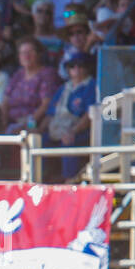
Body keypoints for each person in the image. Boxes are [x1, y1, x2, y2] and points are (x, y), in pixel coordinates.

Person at [46, 52, 97, 180]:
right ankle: (40, 181)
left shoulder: (92, 86)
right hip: (58, 128)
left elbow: (89, 116)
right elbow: (50, 114)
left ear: (88, 68)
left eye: (80, 66)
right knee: (38, 140)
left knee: (69, 142)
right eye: (72, 66)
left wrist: (72, 132)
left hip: (81, 131)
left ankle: (69, 183)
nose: (76, 69)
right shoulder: (64, 87)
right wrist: (37, 129)